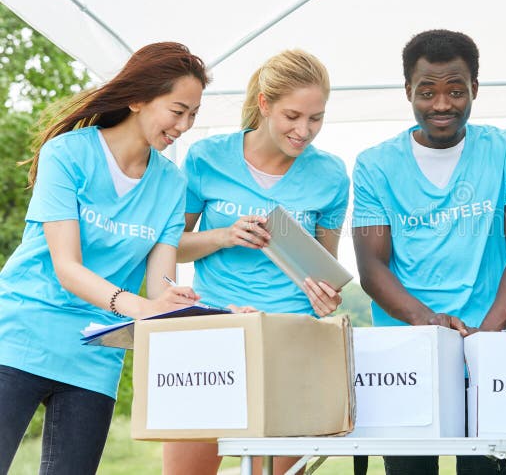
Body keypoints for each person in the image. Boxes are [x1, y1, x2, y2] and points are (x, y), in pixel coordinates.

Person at [0, 42, 208, 474]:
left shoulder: (171, 183)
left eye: (193, 114)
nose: (184, 125)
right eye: (177, 110)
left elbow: (161, 285)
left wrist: (181, 306)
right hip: (20, 337)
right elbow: (68, 268)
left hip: (95, 355)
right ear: (136, 99)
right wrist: (141, 309)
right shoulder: (68, 155)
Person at [352, 29, 506, 475]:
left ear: (475, 89)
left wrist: (488, 336)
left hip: (489, 354)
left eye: (456, 91)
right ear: (408, 92)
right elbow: (371, 267)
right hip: (408, 359)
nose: (442, 104)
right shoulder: (374, 165)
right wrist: (430, 325)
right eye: (427, 92)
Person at [162, 49, 348, 475]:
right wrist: (225, 235)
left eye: (316, 118)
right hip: (215, 332)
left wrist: (327, 296)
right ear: (264, 105)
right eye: (292, 116)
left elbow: (325, 269)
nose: (304, 131)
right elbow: (171, 246)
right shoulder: (206, 157)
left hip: (291, 338)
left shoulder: (332, 175)